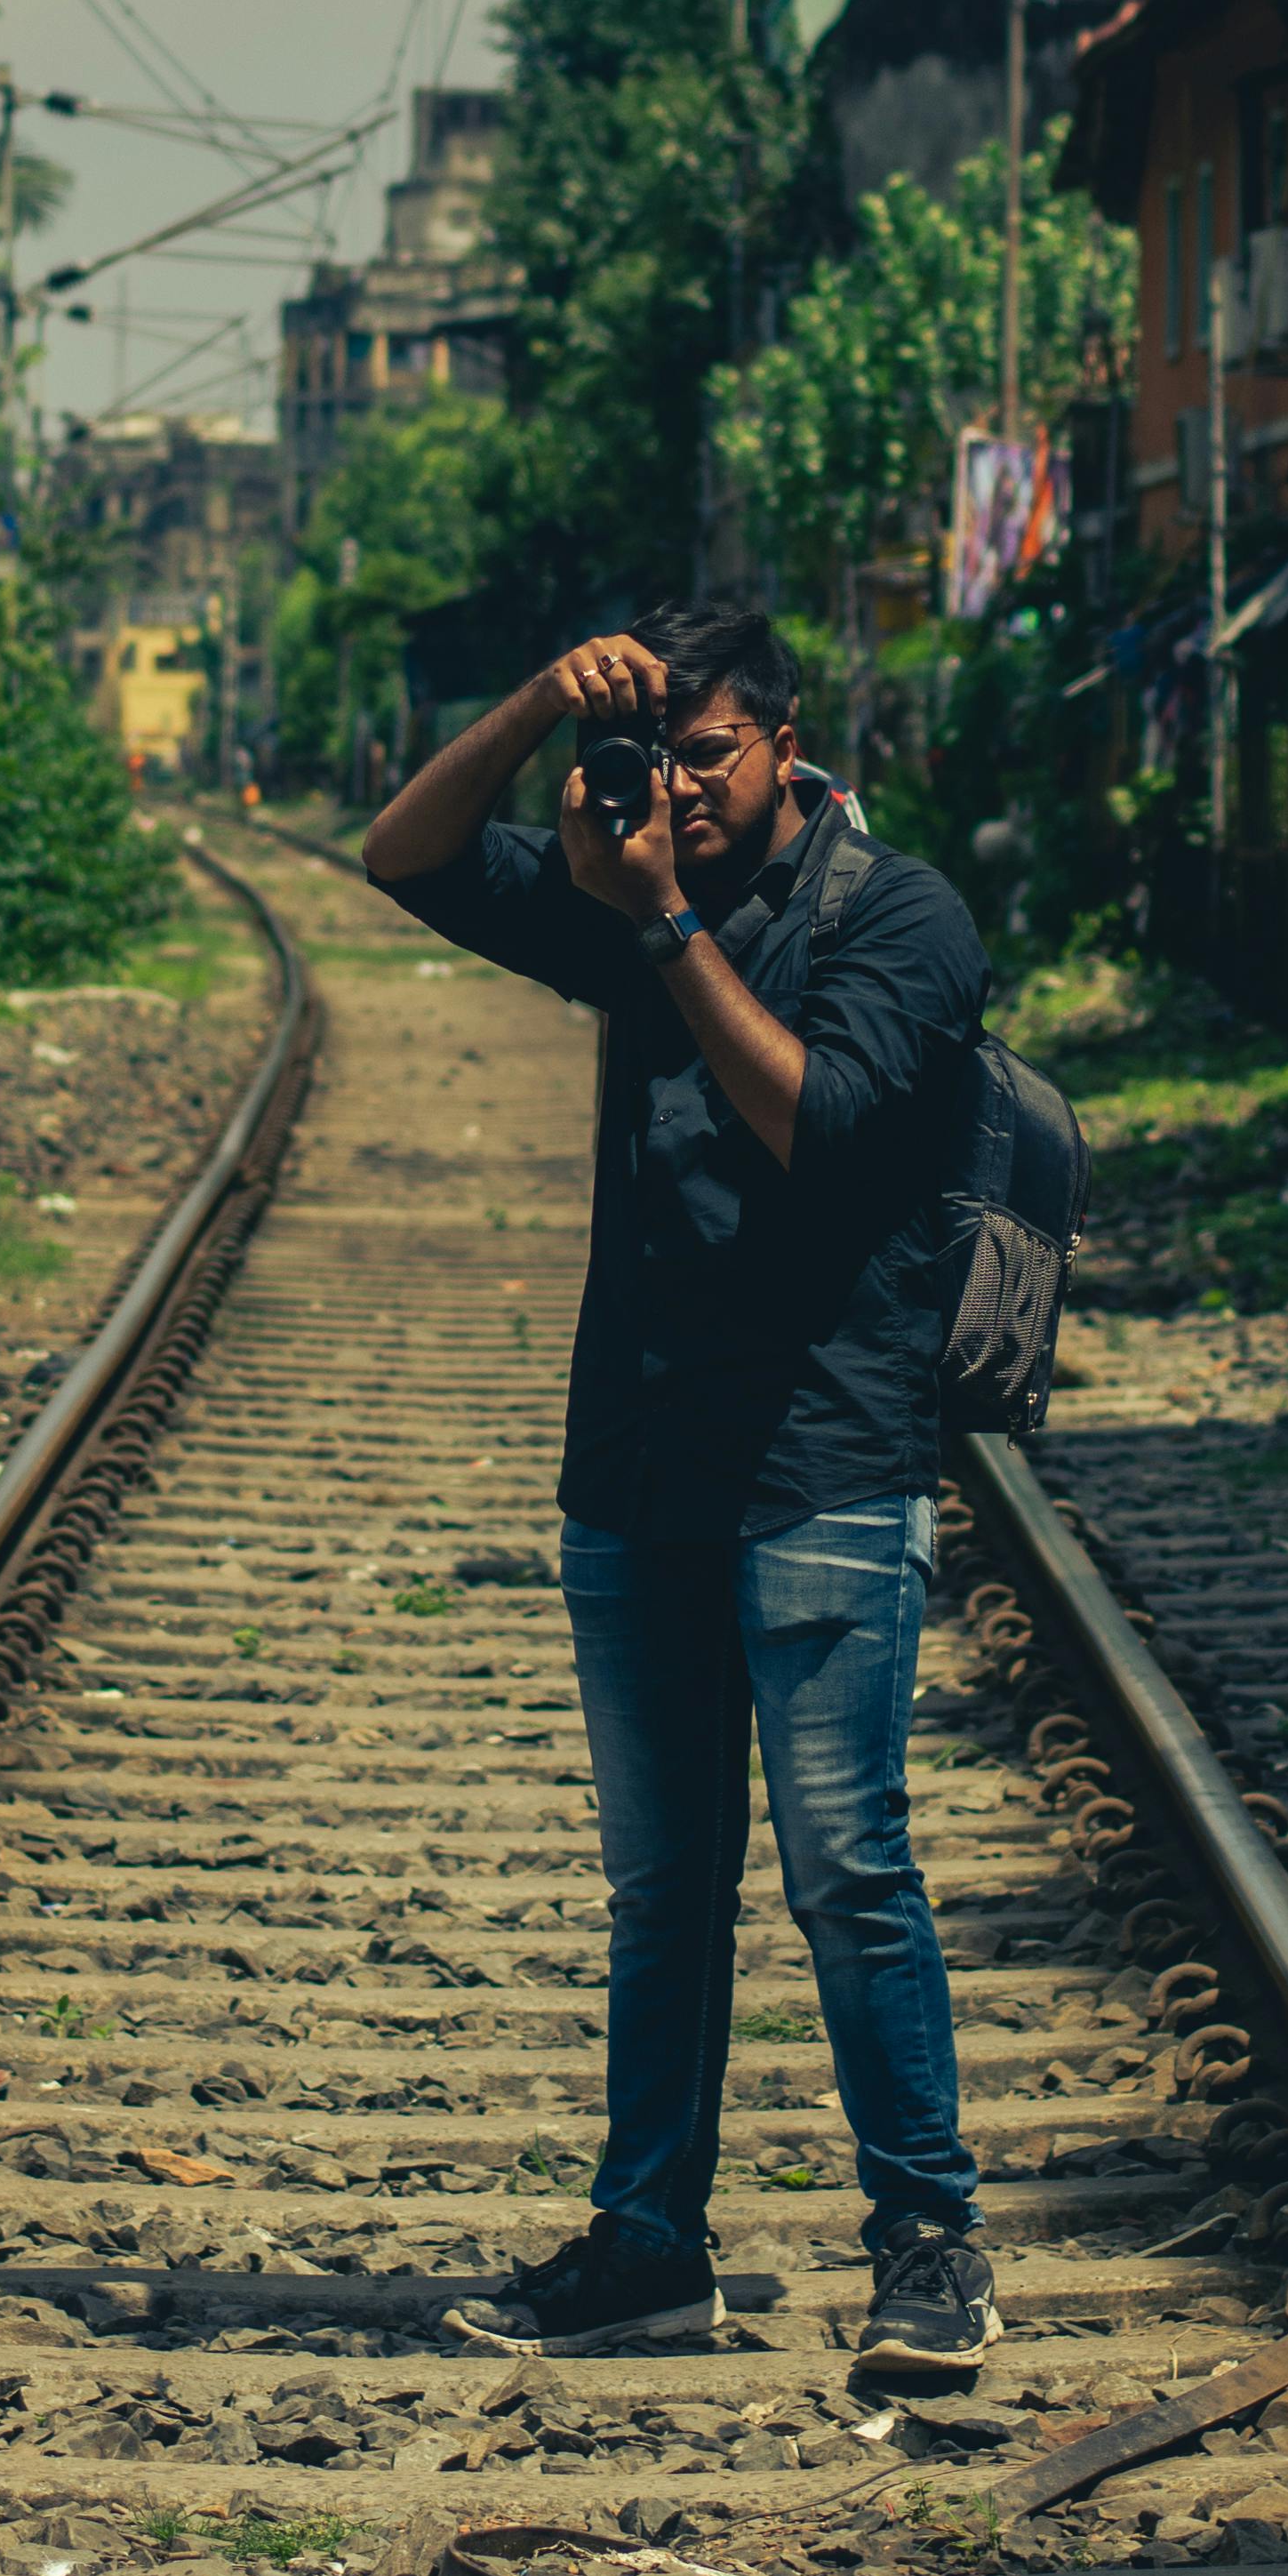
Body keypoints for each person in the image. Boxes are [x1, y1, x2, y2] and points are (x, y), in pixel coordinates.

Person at [360, 600, 998, 2382]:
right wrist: (530, 707)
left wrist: (654, 921)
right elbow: (399, 852)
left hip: (821, 1464)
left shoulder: (899, 916)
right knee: (660, 1890)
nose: (677, 789)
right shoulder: (630, 881)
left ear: (786, 743)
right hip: (635, 1467)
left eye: (706, 754)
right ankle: (649, 2240)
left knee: (847, 1867)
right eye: (653, 757)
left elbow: (822, 1120)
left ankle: (927, 2242)